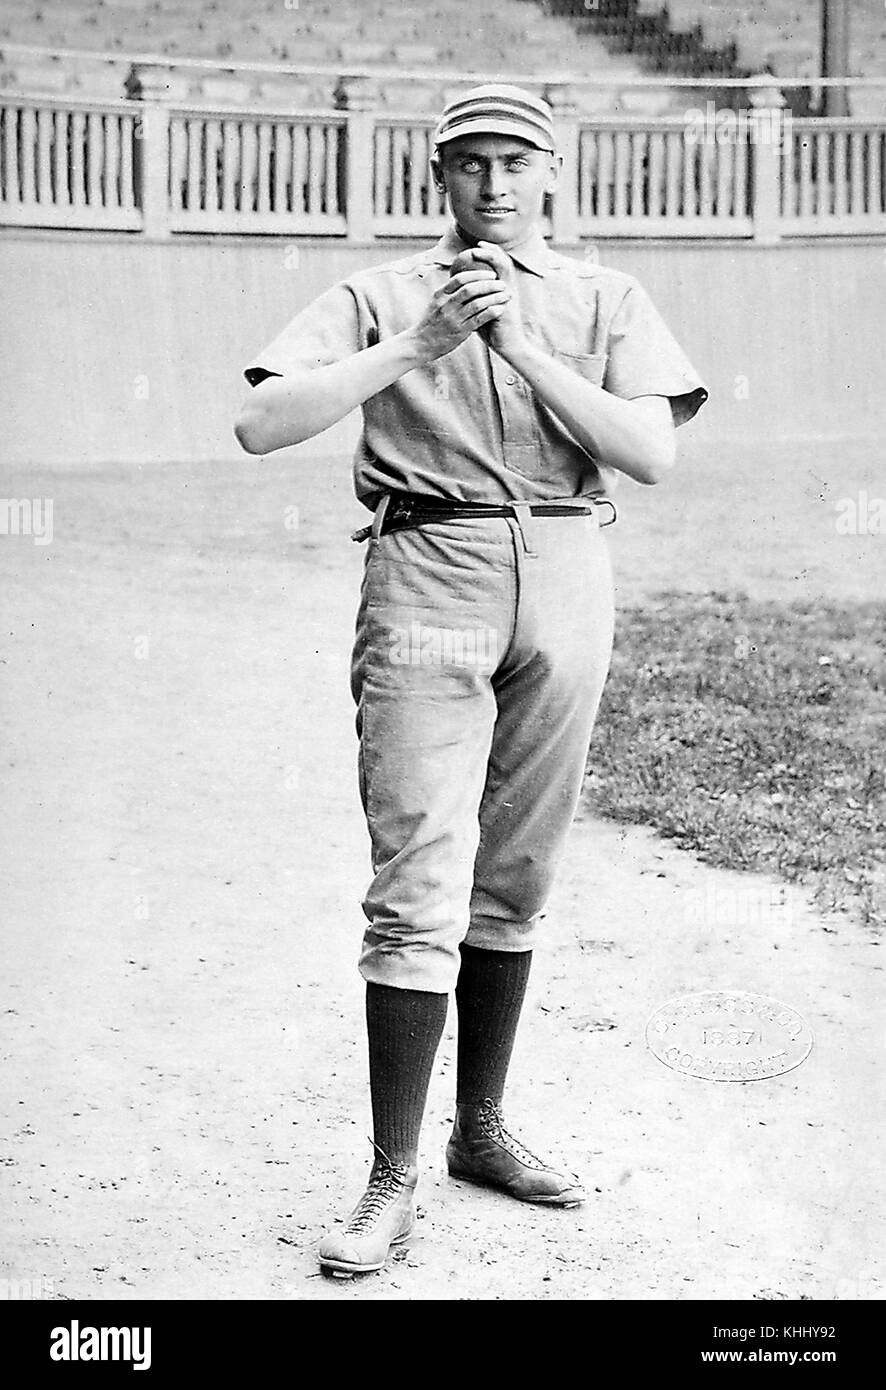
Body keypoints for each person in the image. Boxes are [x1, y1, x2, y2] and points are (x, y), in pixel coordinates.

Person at [235, 83, 707, 1277]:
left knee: (520, 868)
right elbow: (261, 424)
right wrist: (423, 343)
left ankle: (479, 1129)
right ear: (436, 176)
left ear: (553, 171)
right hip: (427, 563)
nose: (492, 185)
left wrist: (519, 346)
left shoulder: (605, 295)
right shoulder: (386, 292)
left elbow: (649, 451)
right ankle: (391, 1173)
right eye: (467, 164)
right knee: (418, 874)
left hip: (566, 561)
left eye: (514, 162)